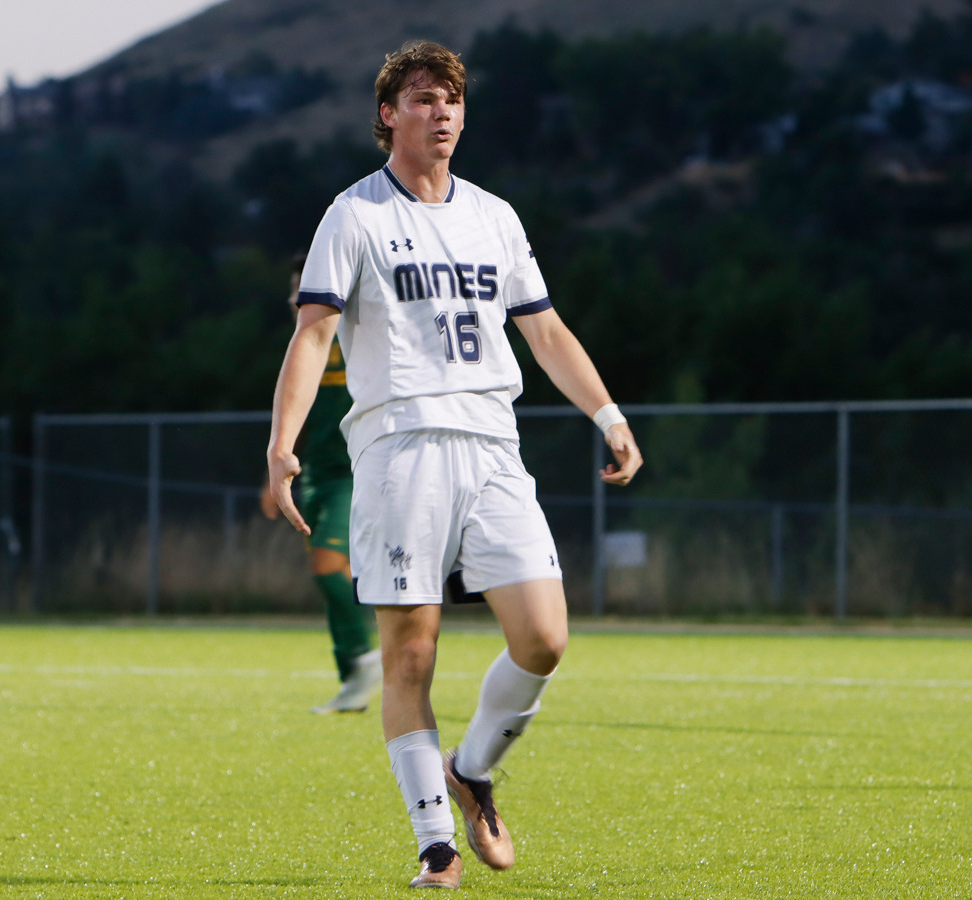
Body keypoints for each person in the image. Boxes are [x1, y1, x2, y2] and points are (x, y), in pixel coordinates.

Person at [266, 41, 643, 889]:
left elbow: (543, 330)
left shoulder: (494, 216)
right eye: (424, 99)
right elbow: (314, 332)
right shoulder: (353, 215)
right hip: (399, 452)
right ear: (388, 115)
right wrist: (282, 442)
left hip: (492, 446)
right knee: (410, 656)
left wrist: (608, 413)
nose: (442, 113)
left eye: (453, 101)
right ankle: (436, 843)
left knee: (544, 638)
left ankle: (472, 769)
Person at [261, 254, 382, 714]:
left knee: (331, 564)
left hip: (355, 470)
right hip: (314, 472)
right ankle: (353, 677)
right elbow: (295, 413)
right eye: (293, 289)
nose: (295, 296)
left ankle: (368, 654)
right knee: (323, 566)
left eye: (301, 286)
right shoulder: (302, 344)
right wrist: (273, 471)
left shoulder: (356, 334)